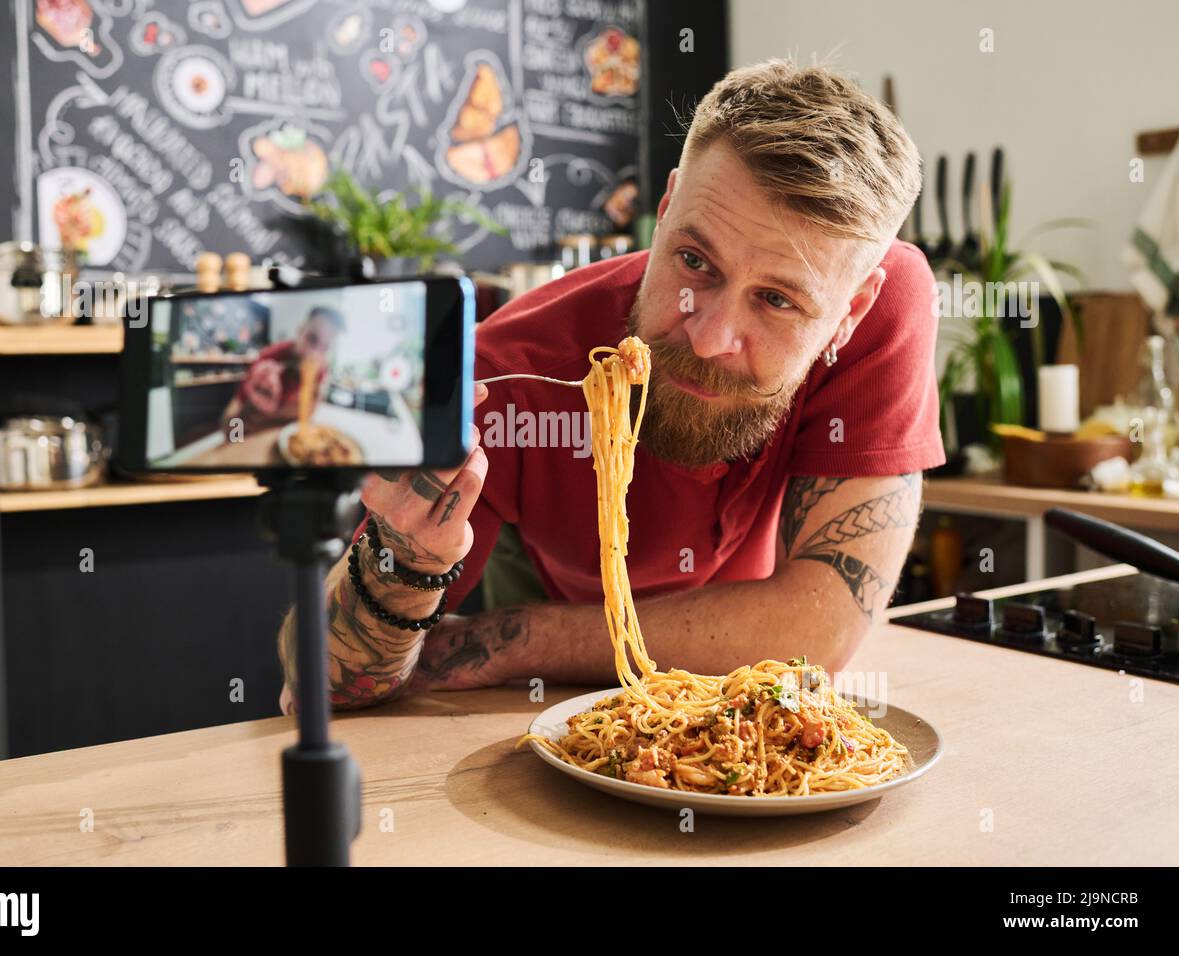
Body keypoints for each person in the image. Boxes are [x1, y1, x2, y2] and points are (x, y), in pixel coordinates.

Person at [280, 59, 944, 715]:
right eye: (694, 261)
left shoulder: (885, 307)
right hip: (553, 642)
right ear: (666, 209)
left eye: (776, 300)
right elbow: (320, 687)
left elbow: (818, 627)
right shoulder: (505, 375)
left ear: (851, 310)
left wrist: (519, 640)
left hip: (690, 686)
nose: (709, 337)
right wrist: (403, 559)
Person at [220, 305, 344, 433]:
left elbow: (310, 412)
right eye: (312, 339)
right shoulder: (269, 358)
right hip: (254, 429)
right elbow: (234, 413)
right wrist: (236, 435)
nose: (314, 354)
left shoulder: (320, 369)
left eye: (325, 347)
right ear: (300, 330)